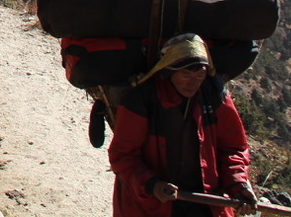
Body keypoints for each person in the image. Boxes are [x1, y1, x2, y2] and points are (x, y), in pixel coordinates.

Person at [108, 33, 258, 217]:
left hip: (205, 202)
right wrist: (151, 184)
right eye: (186, 73)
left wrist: (238, 184)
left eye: (200, 74)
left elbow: (233, 147)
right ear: (168, 71)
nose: (193, 81)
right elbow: (123, 156)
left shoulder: (213, 96)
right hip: (152, 205)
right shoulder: (142, 100)